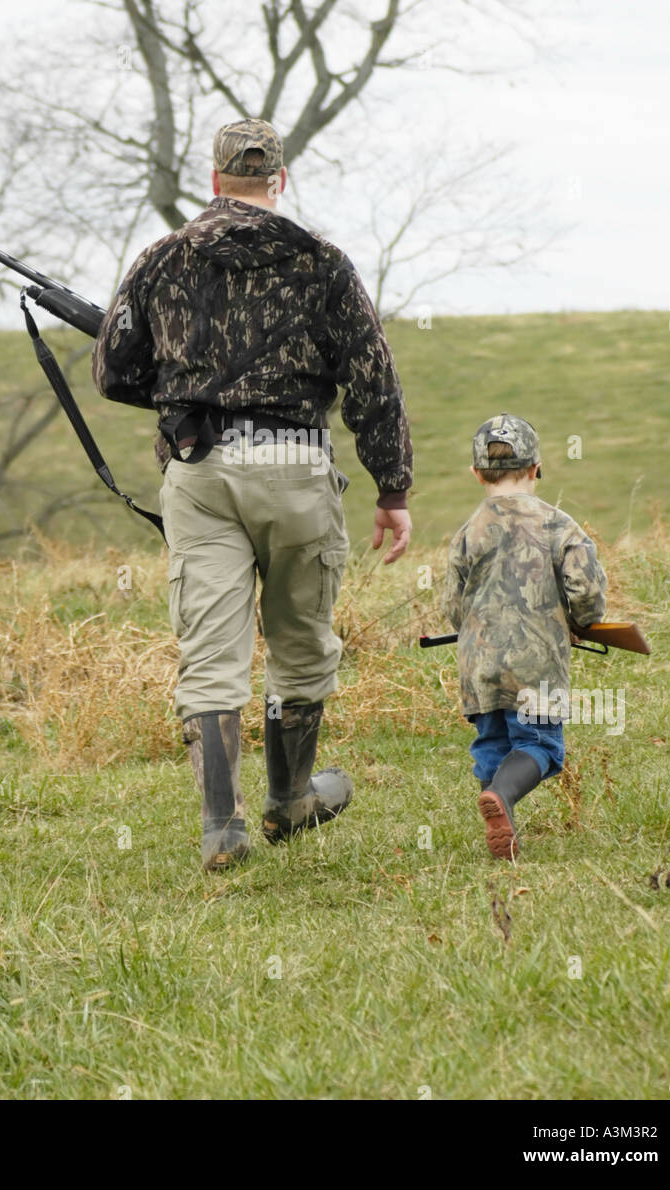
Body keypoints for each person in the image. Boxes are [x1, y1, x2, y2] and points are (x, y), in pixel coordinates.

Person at [92, 119, 413, 870]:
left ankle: (222, 828)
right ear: (280, 180)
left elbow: (113, 374)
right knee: (299, 642)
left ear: (214, 180)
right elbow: (374, 379)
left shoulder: (162, 257)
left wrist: (186, 394)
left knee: (211, 651)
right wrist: (391, 487)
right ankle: (291, 799)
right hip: (296, 470)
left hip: (200, 475)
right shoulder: (323, 260)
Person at [442, 414, 607, 859]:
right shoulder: (559, 526)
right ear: (536, 468)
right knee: (539, 745)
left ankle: (502, 819)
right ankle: (502, 797)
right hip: (536, 664)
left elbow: (453, 608)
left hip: (479, 665)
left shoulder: (466, 533)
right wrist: (581, 623)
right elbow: (587, 591)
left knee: (492, 745)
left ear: (477, 473)